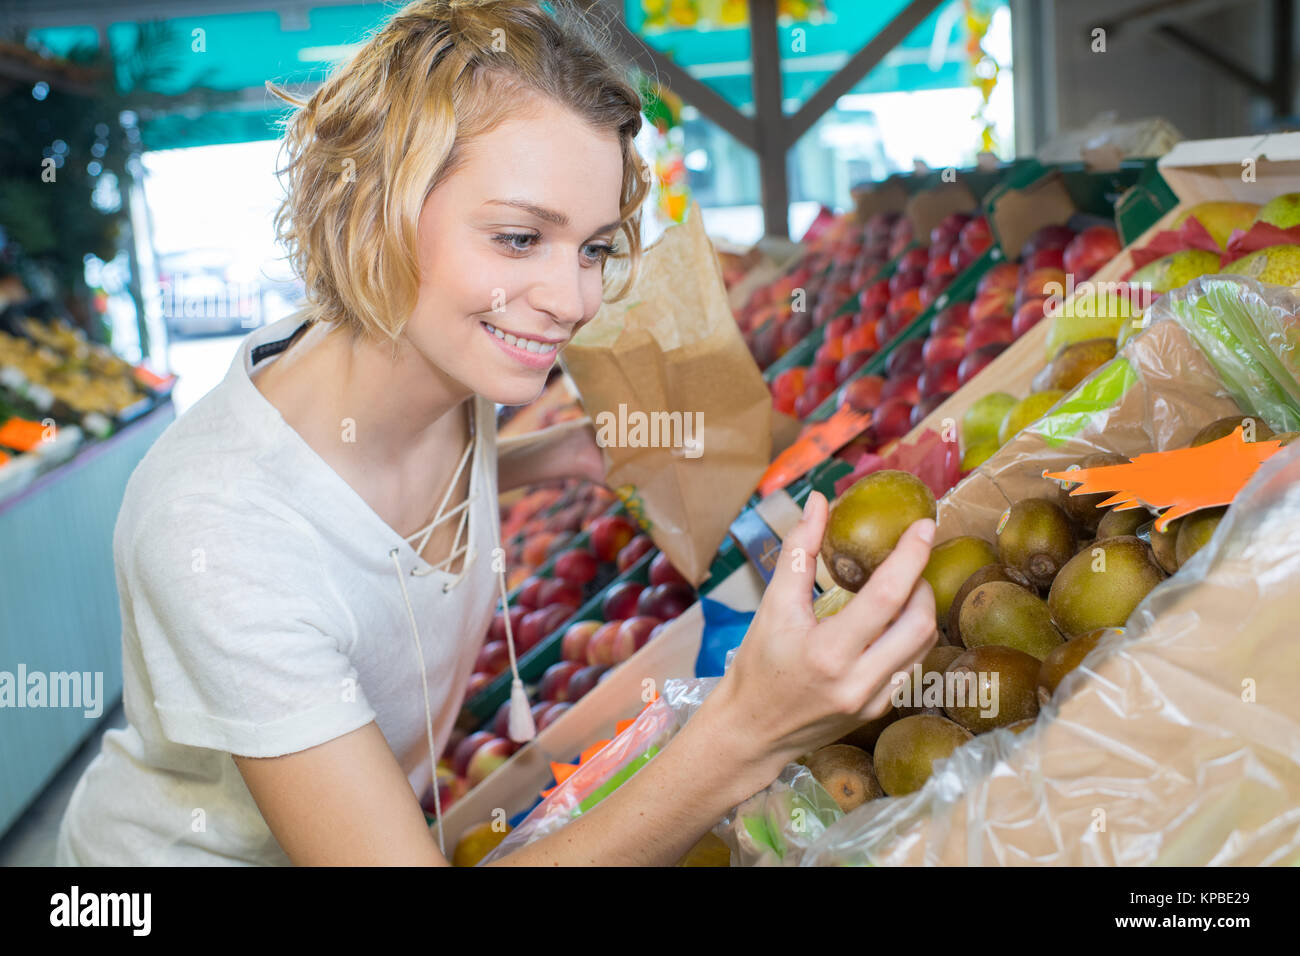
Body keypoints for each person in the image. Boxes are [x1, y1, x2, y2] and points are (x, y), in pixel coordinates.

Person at [56, 0, 936, 867]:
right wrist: (747, 735)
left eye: (593, 247)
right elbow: (293, 539)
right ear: (373, 209)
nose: (575, 300)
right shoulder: (217, 528)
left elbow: (361, 501)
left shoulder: (425, 353)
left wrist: (561, 455)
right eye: (520, 238)